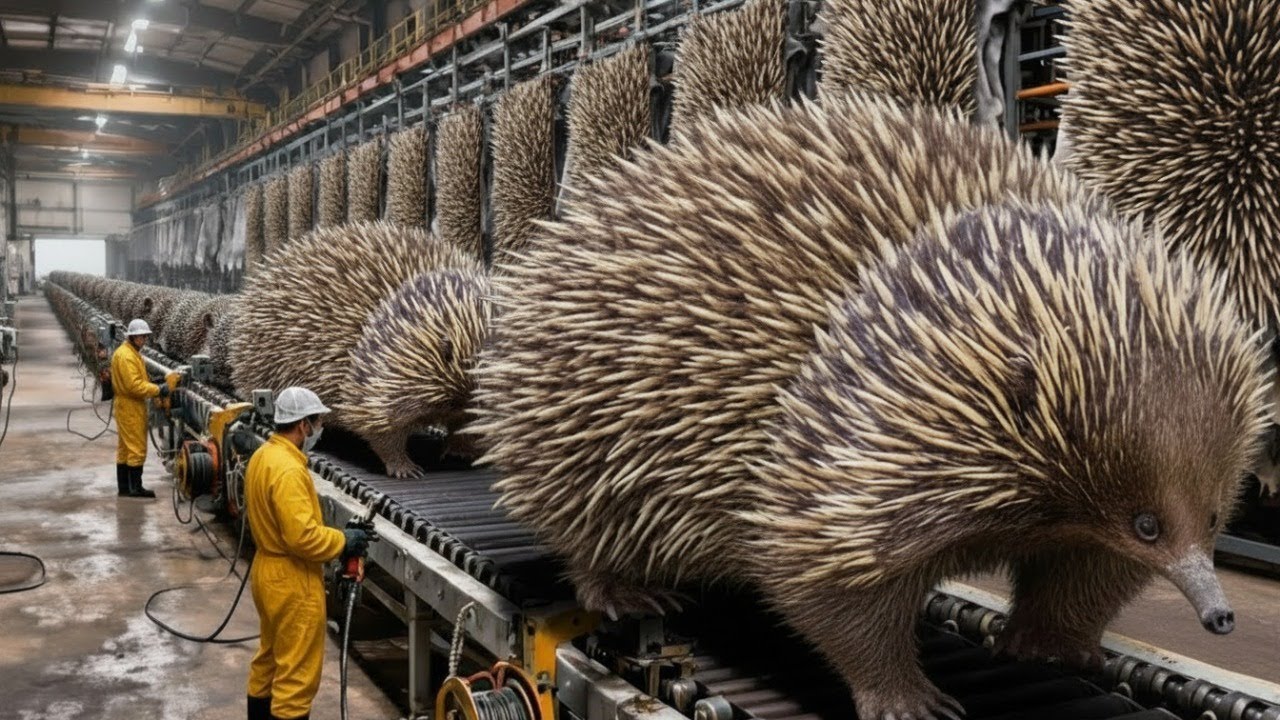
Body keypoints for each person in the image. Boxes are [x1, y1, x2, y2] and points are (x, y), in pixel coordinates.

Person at [245, 386, 373, 720]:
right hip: (292, 579)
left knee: (270, 660)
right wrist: (345, 541)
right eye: (315, 423)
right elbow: (302, 537)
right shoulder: (288, 470)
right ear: (303, 425)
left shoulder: (264, 456)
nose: (318, 430)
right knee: (296, 677)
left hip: (266, 572)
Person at [110, 318, 168, 498]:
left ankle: (124, 487)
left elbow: (138, 380)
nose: (144, 340)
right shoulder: (127, 356)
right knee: (136, 447)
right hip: (130, 406)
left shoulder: (130, 352)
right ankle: (135, 488)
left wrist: (153, 384)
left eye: (145, 337)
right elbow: (134, 386)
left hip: (127, 405)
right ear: (133, 337)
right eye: (141, 337)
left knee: (125, 448)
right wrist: (158, 389)